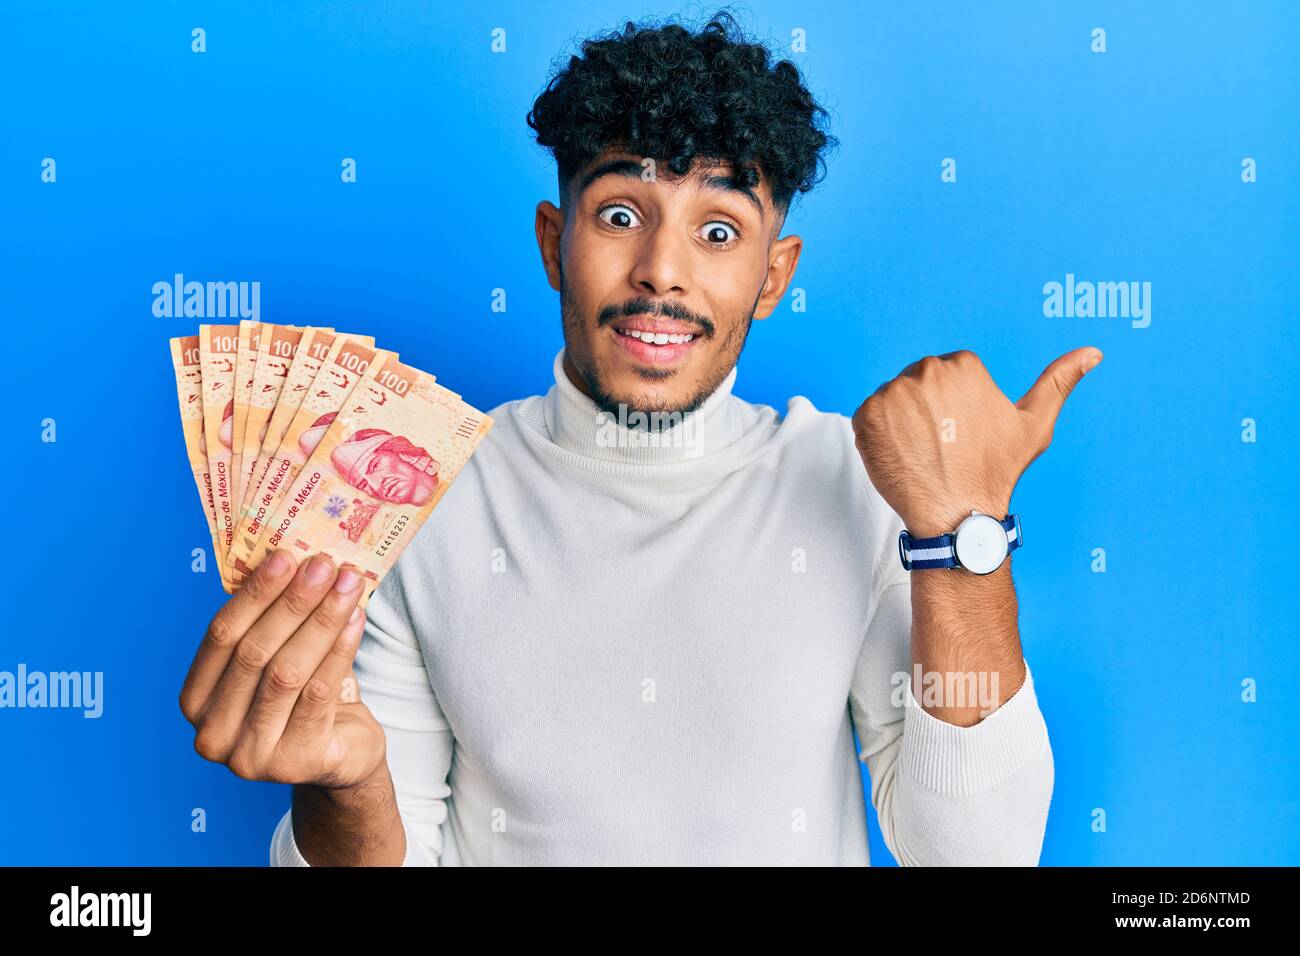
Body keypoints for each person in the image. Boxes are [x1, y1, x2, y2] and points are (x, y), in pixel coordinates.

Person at [180, 12, 1100, 866]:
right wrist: (343, 787)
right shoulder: (420, 490)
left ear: (774, 275)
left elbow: (976, 855)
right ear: (553, 242)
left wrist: (963, 534)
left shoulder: (852, 484)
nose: (662, 271)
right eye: (621, 215)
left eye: (717, 230)